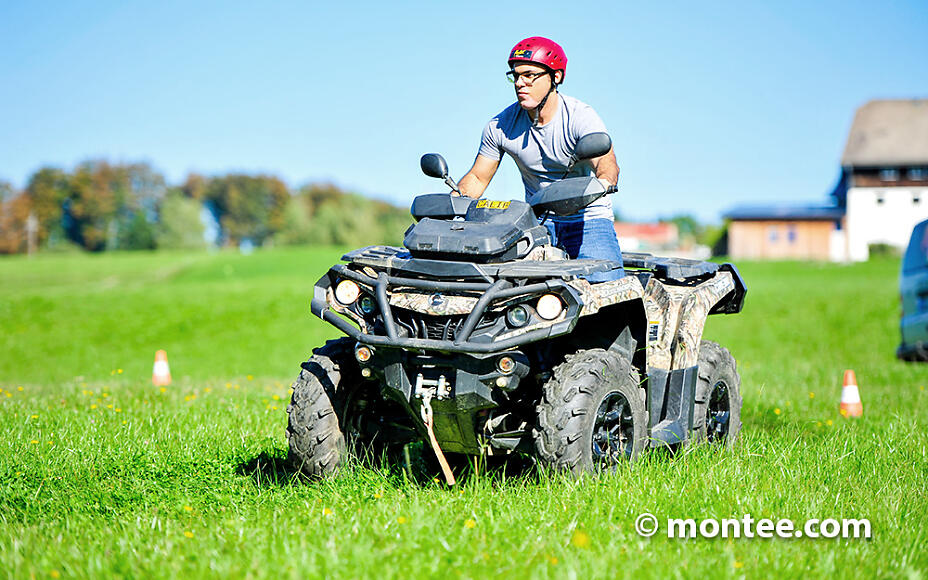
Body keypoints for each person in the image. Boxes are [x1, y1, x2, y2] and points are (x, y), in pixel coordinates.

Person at [458, 36, 624, 282]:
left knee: (606, 292)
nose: (519, 83)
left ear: (556, 77)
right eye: (515, 76)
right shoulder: (500, 126)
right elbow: (477, 177)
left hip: (588, 221)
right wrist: (453, 202)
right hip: (537, 224)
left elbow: (605, 163)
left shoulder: (580, 117)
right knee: (510, 292)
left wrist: (604, 181)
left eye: (529, 75)